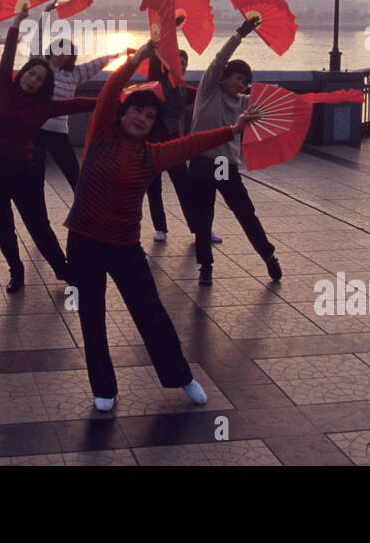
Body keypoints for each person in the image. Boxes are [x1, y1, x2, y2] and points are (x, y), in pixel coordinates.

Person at [65, 39, 260, 411]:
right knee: (92, 314)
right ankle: (103, 387)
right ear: (122, 115)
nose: (141, 118)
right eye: (136, 111)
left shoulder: (153, 155)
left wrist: (232, 130)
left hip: (124, 246)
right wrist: (136, 59)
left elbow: (190, 144)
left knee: (150, 311)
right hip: (84, 240)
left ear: (153, 125)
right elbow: (108, 93)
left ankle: (181, 376)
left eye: (149, 116)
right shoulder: (100, 137)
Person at [0, 4, 97, 292]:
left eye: (40, 79)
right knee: (3, 223)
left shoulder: (45, 106)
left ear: (44, 86)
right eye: (31, 74)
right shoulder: (4, 88)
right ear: (23, 73)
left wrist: (116, 98)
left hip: (24, 170)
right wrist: (18, 22)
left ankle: (64, 271)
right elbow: (8, 53)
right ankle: (15, 270)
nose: (33, 80)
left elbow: (79, 103)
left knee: (38, 224)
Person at [189, 16, 281, 284]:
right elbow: (219, 60)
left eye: (244, 82)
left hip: (224, 165)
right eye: (236, 78)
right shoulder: (208, 90)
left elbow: (267, 110)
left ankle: (268, 256)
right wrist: (240, 34)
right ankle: (206, 266)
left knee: (244, 212)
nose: (239, 84)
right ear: (225, 77)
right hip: (201, 162)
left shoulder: (243, 105)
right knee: (203, 218)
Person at [28, 7, 126, 190]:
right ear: (52, 50)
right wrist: (46, 13)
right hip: (36, 131)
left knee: (75, 177)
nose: (62, 54)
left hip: (59, 133)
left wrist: (121, 54)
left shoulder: (75, 74)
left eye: (67, 52)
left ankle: (84, 214)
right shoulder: (39, 64)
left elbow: (98, 63)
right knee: (35, 180)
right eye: (59, 49)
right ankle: (39, 218)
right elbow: (36, 38)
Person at [144, 47, 200, 243]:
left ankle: (197, 227)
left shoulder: (185, 90)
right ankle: (160, 228)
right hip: (152, 143)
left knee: (184, 187)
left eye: (184, 63)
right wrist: (167, 31)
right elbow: (153, 58)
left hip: (174, 145)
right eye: (178, 62)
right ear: (168, 65)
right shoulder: (156, 82)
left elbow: (208, 94)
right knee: (153, 188)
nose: (181, 66)